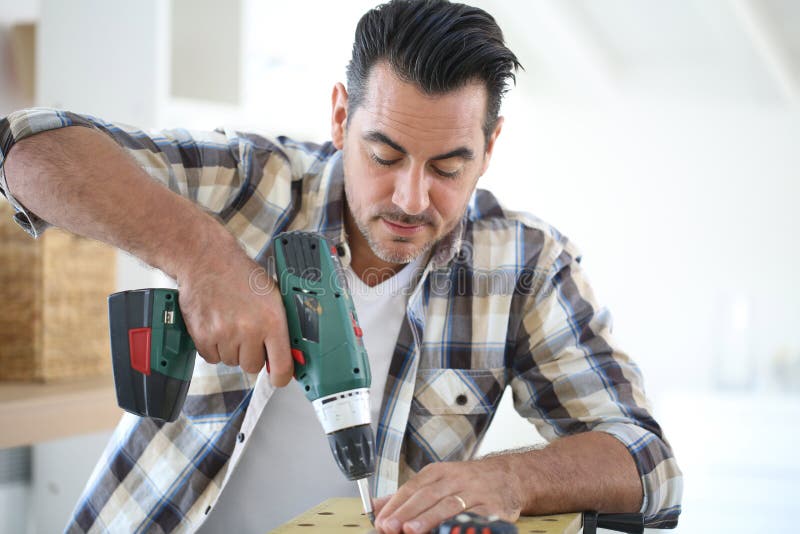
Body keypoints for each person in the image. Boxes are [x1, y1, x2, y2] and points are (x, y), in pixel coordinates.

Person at [0, 0, 682, 532]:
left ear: (490, 144)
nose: (412, 198)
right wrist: (202, 254)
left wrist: (510, 479)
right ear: (339, 116)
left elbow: (648, 462)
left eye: (449, 166)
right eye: (384, 155)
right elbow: (28, 152)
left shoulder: (526, 267)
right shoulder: (256, 183)